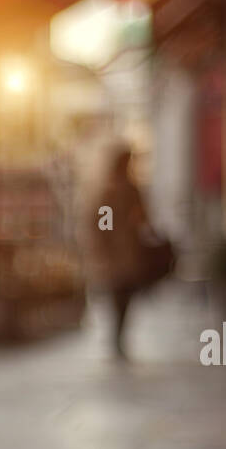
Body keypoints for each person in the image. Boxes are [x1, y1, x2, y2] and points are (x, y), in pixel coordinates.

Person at [88, 144, 151, 359]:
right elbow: (103, 222)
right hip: (120, 253)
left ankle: (119, 335)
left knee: (122, 296)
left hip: (124, 252)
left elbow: (141, 218)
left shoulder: (122, 189)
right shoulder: (113, 190)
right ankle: (118, 336)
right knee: (120, 296)